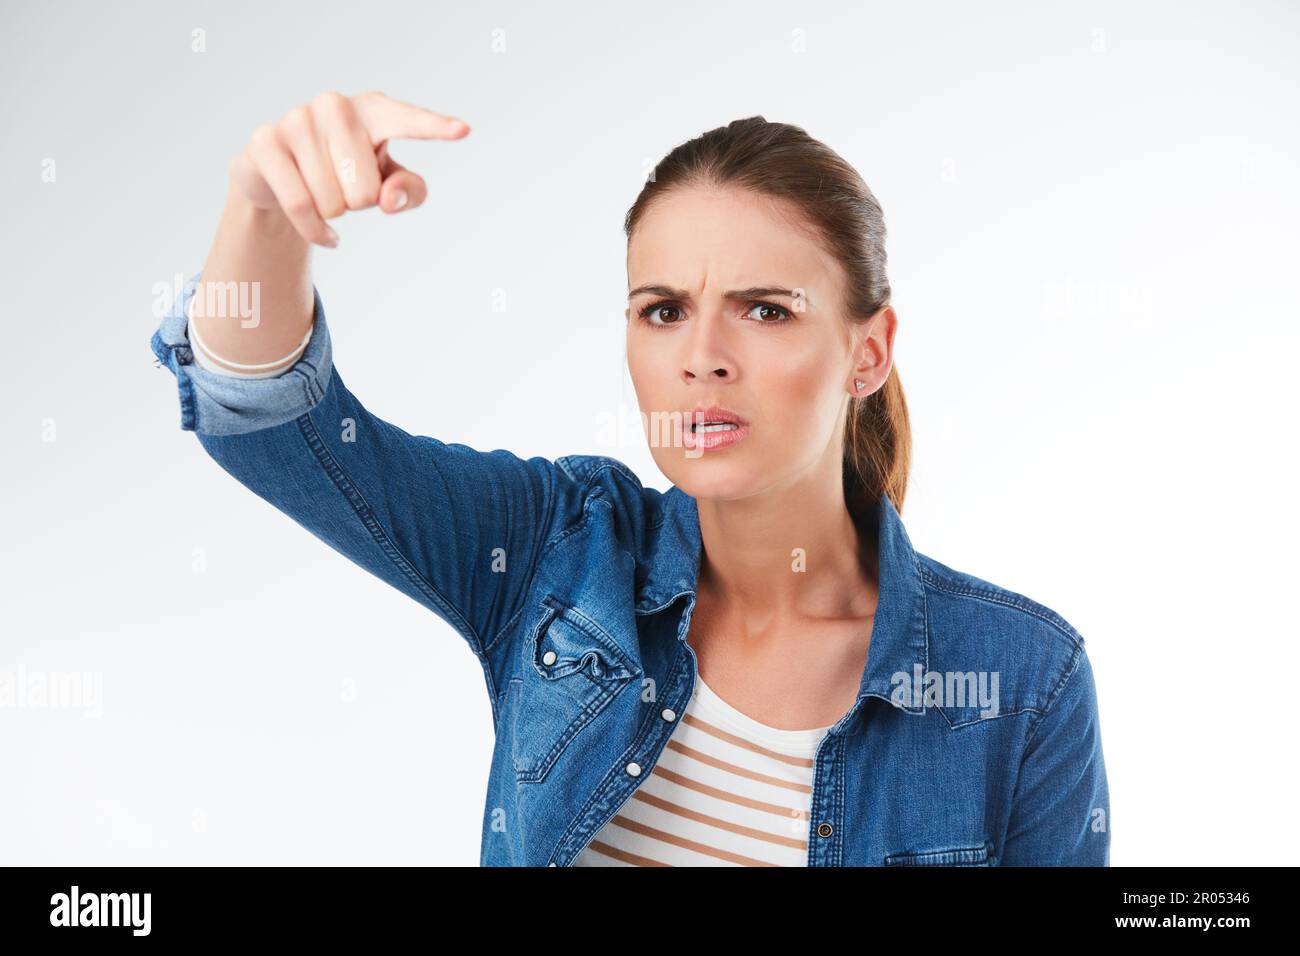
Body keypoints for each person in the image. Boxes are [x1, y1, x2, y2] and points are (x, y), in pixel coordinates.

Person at [149, 91, 1110, 867]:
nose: (702, 356)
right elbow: (277, 429)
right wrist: (262, 213)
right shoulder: (559, 555)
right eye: (662, 310)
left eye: (766, 310)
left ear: (869, 352)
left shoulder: (1023, 680)